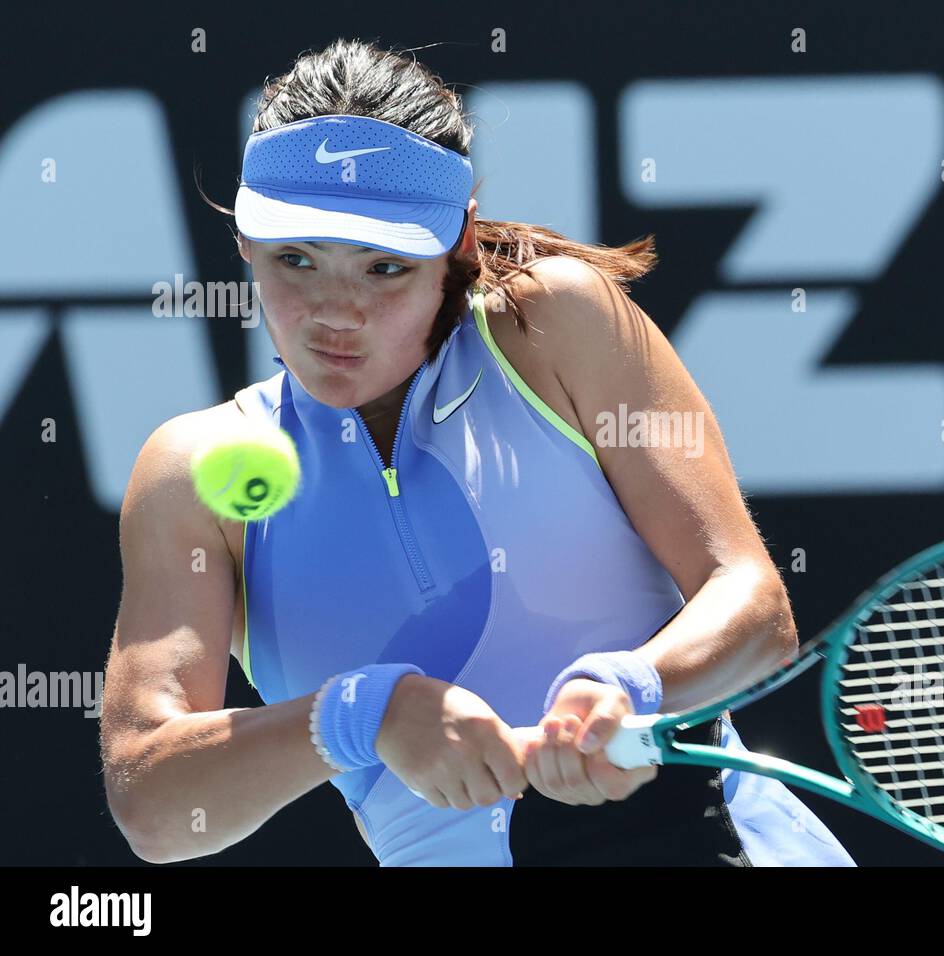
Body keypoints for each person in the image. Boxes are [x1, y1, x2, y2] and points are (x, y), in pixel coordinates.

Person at [100, 37, 856, 866]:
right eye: (295, 260)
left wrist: (627, 688)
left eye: (385, 267)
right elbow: (152, 805)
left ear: (457, 240)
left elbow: (752, 606)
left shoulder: (555, 325)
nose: (334, 313)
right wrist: (363, 715)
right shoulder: (191, 474)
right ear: (243, 240)